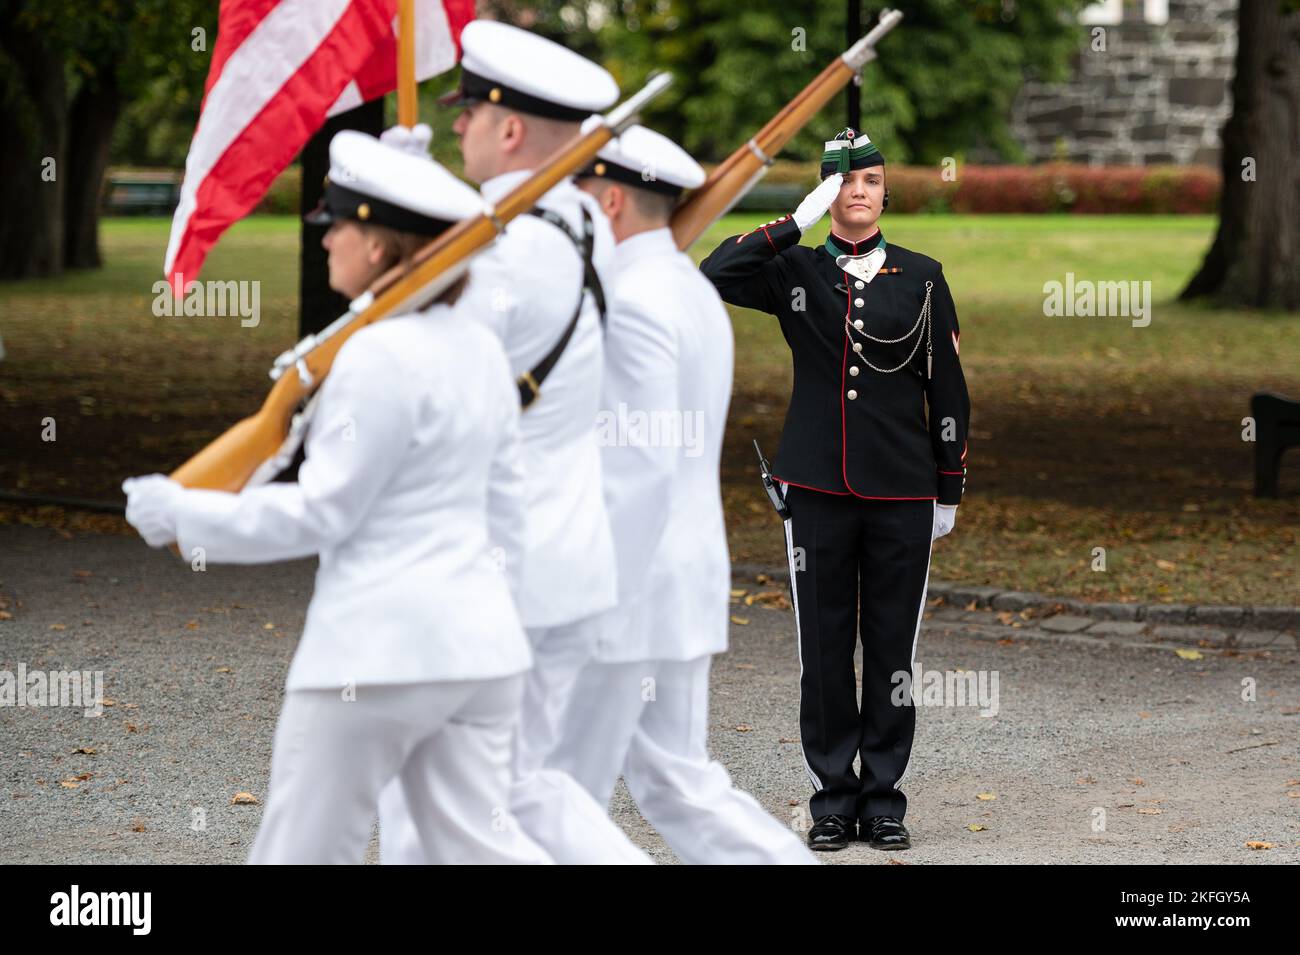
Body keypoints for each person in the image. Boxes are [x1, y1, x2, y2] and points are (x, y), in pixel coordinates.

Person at [122, 128, 550, 864]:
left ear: (381, 247)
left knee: (302, 853)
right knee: (482, 851)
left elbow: (322, 512)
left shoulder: (378, 354)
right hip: (481, 653)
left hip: (377, 655)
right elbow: (506, 503)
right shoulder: (478, 347)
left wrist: (181, 512)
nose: (326, 241)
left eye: (340, 225)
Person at [376, 18, 650, 865]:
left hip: (500, 569)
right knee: (519, 788)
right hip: (561, 565)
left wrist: (397, 210)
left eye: (468, 113)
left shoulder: (508, 248)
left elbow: (410, 361)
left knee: (428, 799)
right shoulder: (575, 220)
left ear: (510, 129)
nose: (454, 125)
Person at [546, 122, 818, 864]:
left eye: (574, 190)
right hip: (680, 570)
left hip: (634, 579)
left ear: (608, 201)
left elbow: (639, 467)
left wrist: (590, 591)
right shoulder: (685, 288)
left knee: (552, 790)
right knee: (672, 781)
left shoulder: (632, 298)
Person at [699, 127, 971, 852]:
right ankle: (831, 798)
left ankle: (882, 797)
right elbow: (713, 271)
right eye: (846, 181)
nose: (860, 191)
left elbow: (947, 387)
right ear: (828, 191)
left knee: (891, 651)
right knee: (821, 650)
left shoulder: (921, 276)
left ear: (885, 191)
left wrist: (949, 485)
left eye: (872, 180)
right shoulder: (795, 270)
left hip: (903, 491)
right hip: (815, 488)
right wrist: (794, 221)